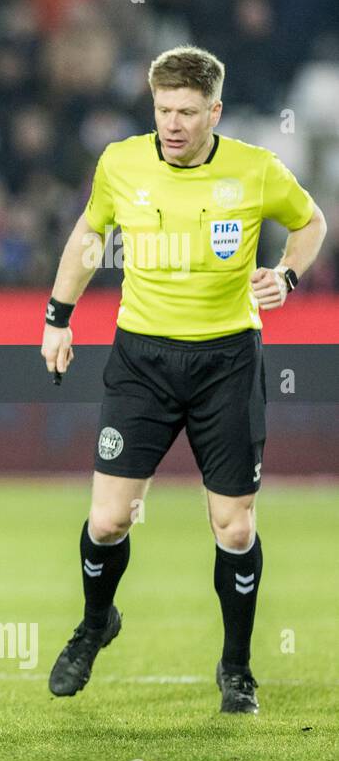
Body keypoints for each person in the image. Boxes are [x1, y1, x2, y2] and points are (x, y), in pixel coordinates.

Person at [40, 46, 327, 714]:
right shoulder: (122, 162)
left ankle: (236, 667)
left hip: (227, 361)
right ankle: (94, 624)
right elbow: (90, 233)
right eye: (164, 109)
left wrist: (285, 275)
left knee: (232, 528)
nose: (172, 123)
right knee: (108, 520)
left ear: (214, 112)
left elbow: (312, 222)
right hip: (141, 360)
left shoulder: (255, 171)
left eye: (187, 112)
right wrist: (58, 317)